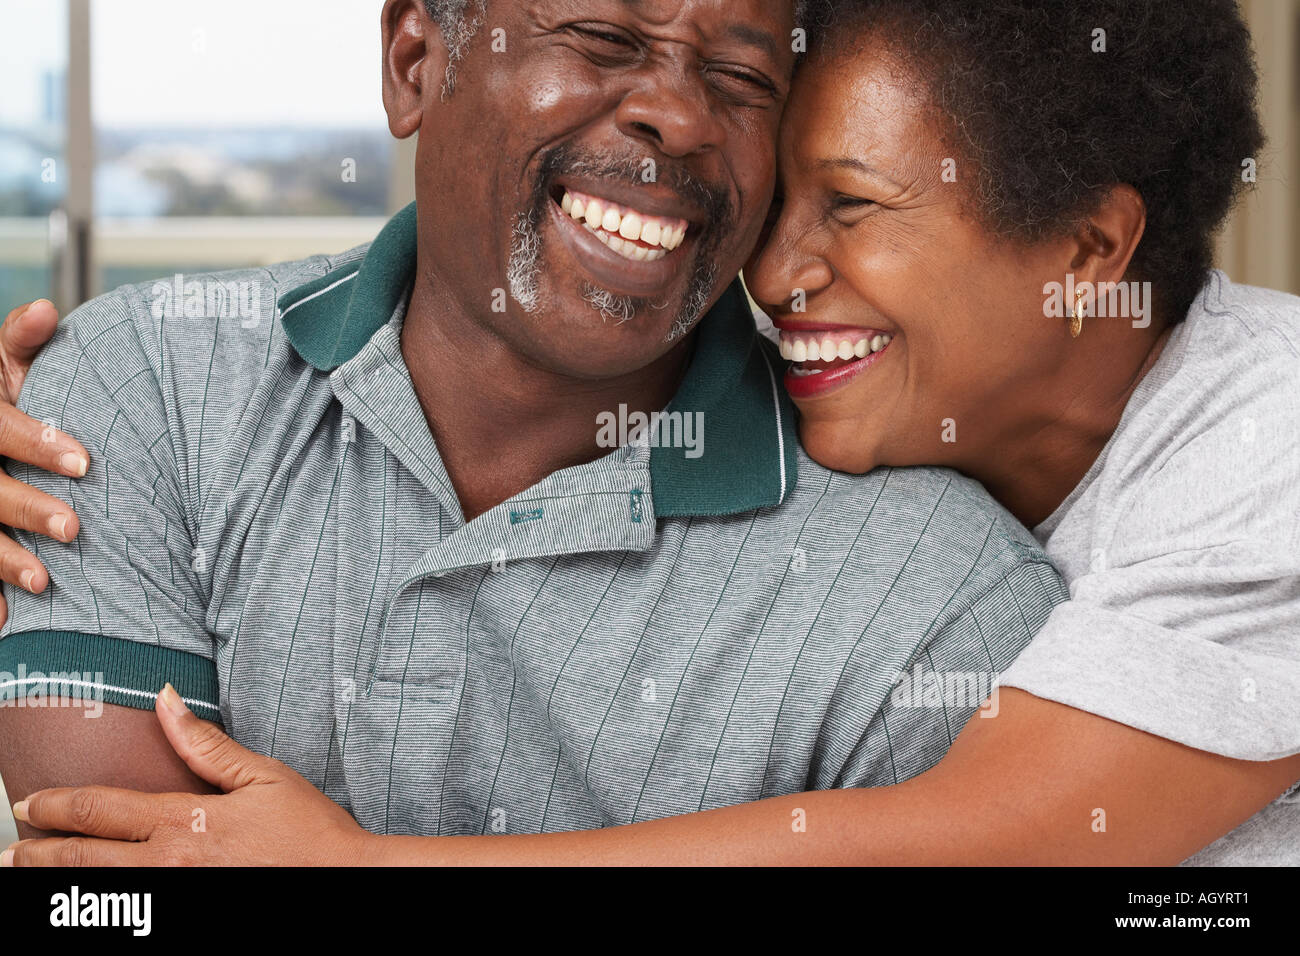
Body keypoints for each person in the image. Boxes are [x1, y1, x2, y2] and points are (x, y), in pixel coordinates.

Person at [3, 0, 1296, 867]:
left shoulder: (1241, 459)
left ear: (1088, 254)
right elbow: (102, 887)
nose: (779, 269)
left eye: (739, 80)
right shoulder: (142, 386)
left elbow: (979, 821)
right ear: (413, 62)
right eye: (604, 33)